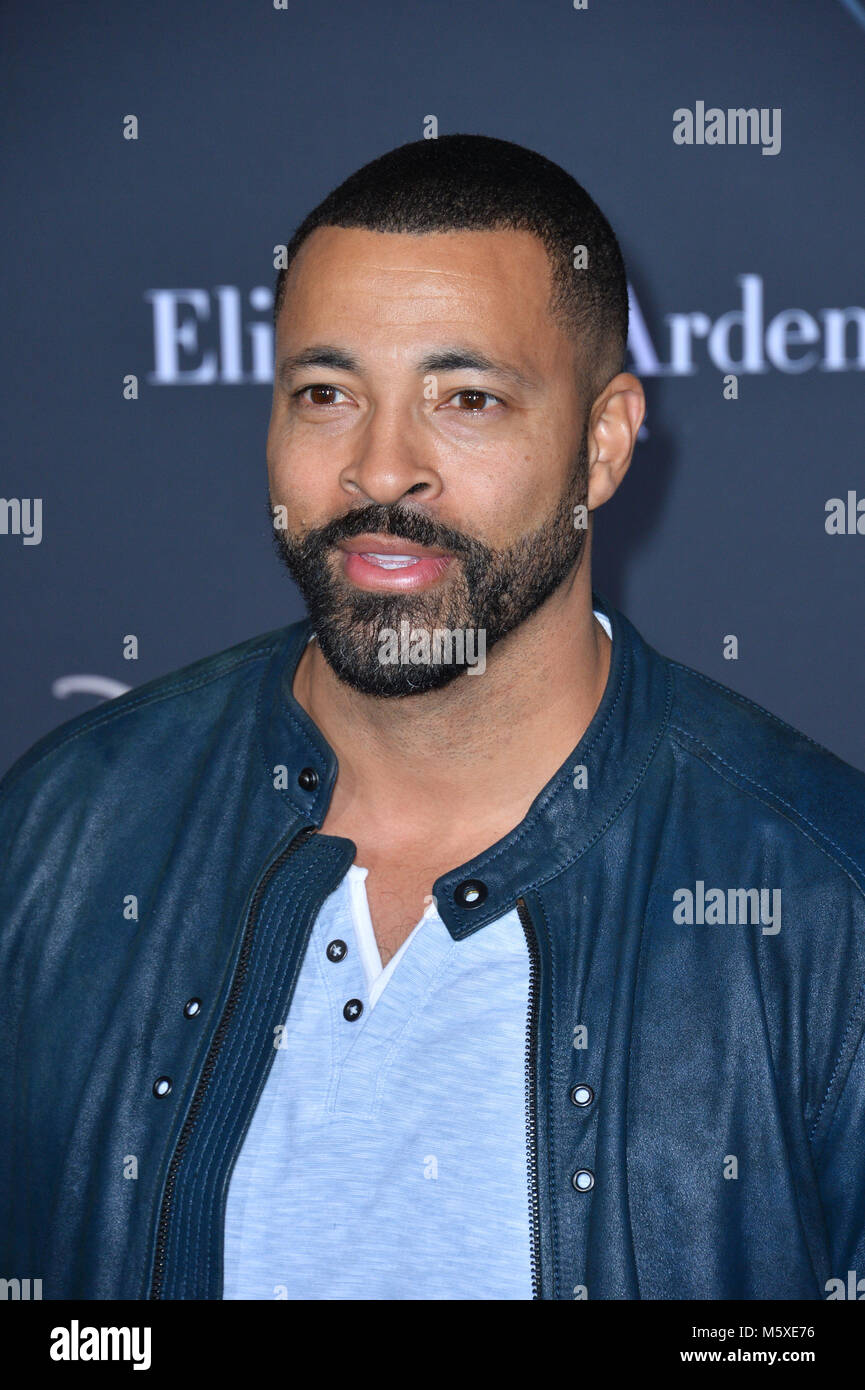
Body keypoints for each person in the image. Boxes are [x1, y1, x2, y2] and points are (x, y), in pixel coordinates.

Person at [2, 134, 863, 1301]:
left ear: (600, 444)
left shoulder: (820, 894)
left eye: (466, 398)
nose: (380, 468)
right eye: (326, 394)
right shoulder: (61, 833)